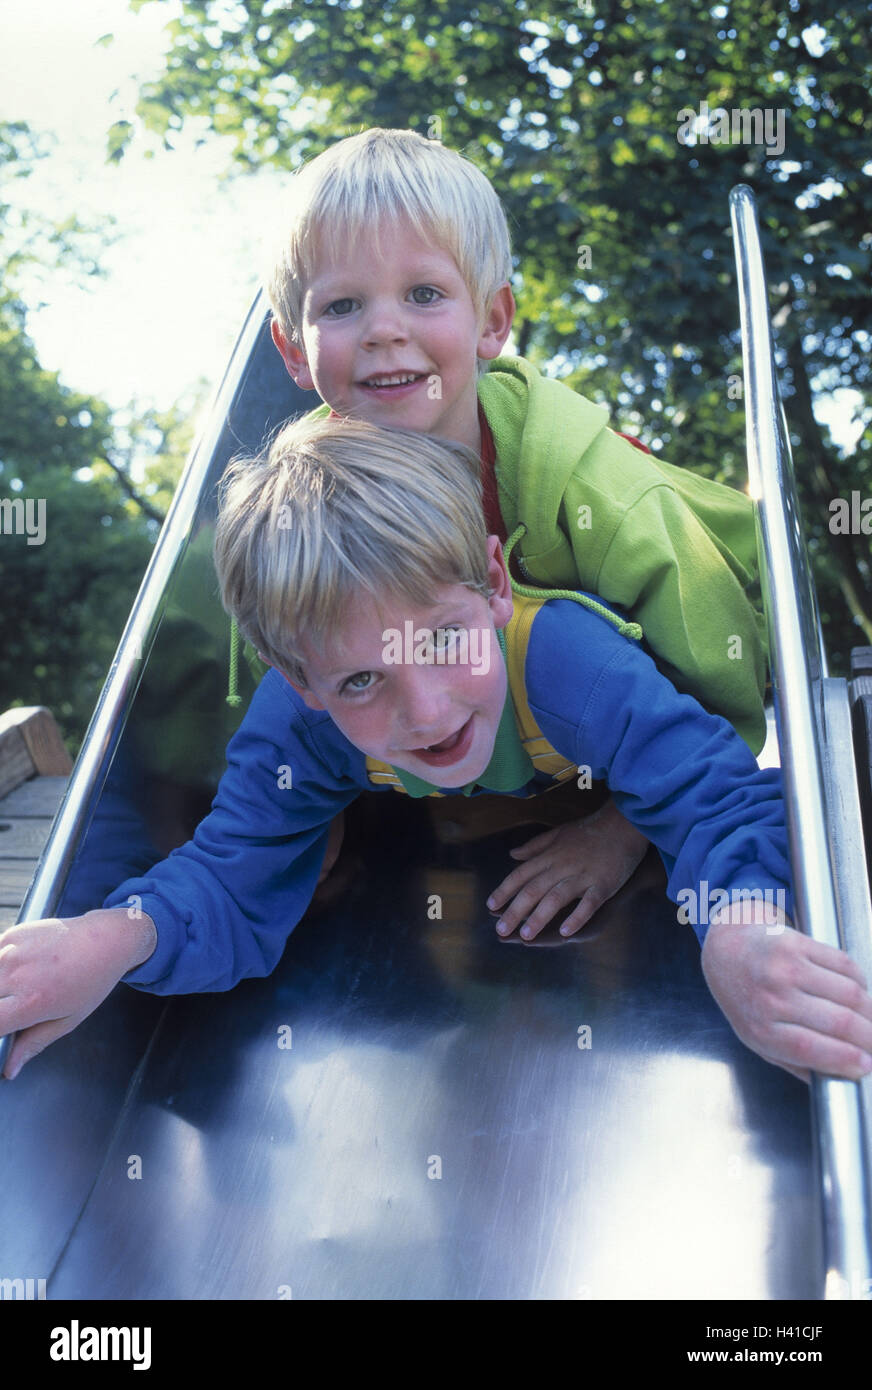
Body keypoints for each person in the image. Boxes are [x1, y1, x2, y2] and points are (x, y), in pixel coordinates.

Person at [2, 416, 870, 1086]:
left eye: (443, 641)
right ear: (301, 683)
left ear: (494, 586)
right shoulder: (297, 726)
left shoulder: (565, 664)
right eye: (358, 683)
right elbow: (234, 867)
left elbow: (714, 795)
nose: (425, 711)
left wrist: (739, 930)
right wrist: (114, 936)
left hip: (598, 768)